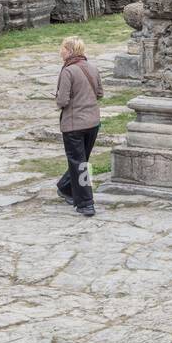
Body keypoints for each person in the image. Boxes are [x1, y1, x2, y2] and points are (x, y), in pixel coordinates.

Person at [55, 36, 103, 217]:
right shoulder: (93, 68)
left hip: (74, 124)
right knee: (81, 161)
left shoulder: (68, 71)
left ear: (68, 51)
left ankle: (85, 203)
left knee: (79, 163)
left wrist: (59, 101)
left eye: (62, 49)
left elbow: (63, 100)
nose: (61, 52)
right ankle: (65, 187)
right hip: (93, 123)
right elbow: (99, 93)